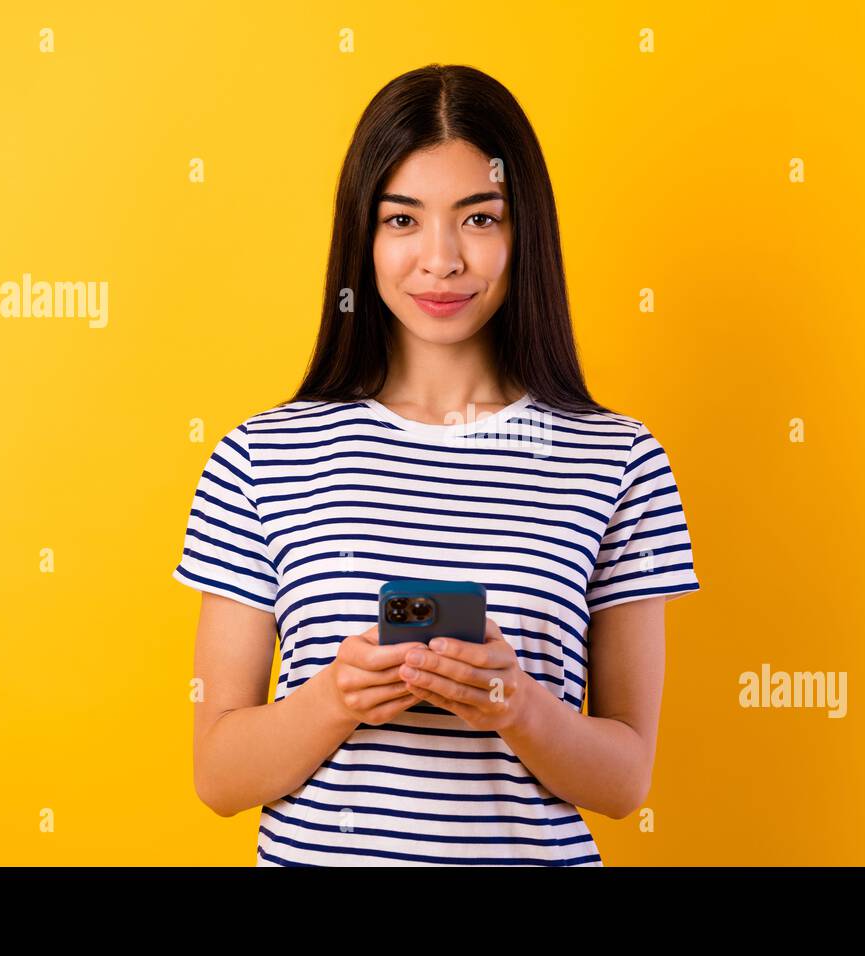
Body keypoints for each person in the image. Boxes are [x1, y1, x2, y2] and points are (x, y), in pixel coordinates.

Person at [172, 64, 700, 866]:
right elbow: (218, 773)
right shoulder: (262, 456)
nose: (442, 260)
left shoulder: (619, 460)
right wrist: (336, 699)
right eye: (402, 220)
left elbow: (626, 781)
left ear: (525, 232)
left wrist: (518, 706)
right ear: (364, 236)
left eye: (479, 219)